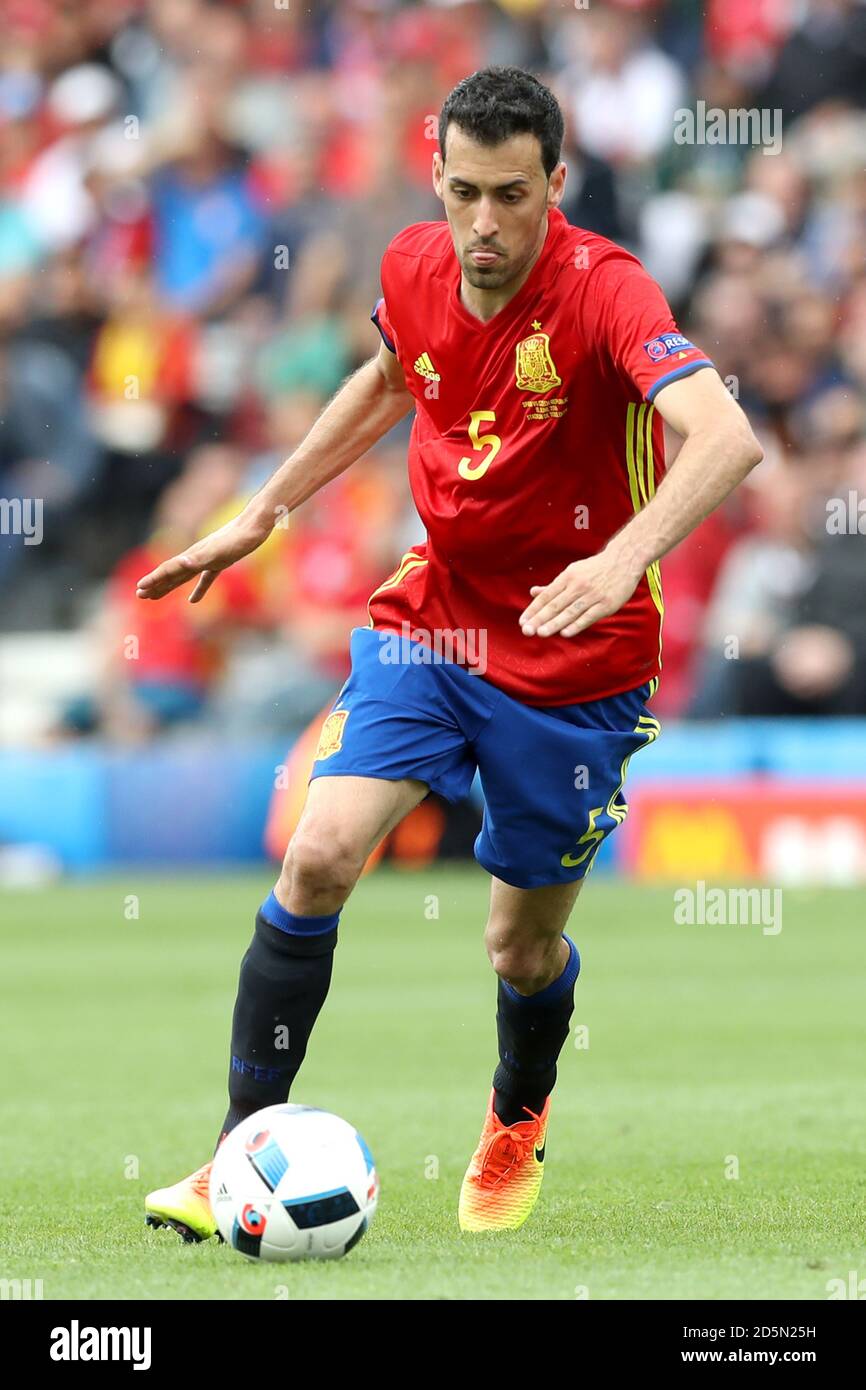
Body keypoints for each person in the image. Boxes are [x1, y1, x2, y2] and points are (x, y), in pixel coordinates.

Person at [138, 67, 762, 1240]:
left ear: (554, 186)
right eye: (464, 192)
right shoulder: (414, 267)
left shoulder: (605, 292)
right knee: (317, 857)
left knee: (518, 945)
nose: (483, 224)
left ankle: (515, 1117)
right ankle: (230, 1156)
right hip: (433, 624)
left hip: (576, 663)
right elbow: (389, 378)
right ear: (436, 179)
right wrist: (264, 510)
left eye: (511, 196)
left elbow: (725, 437)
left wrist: (621, 554)